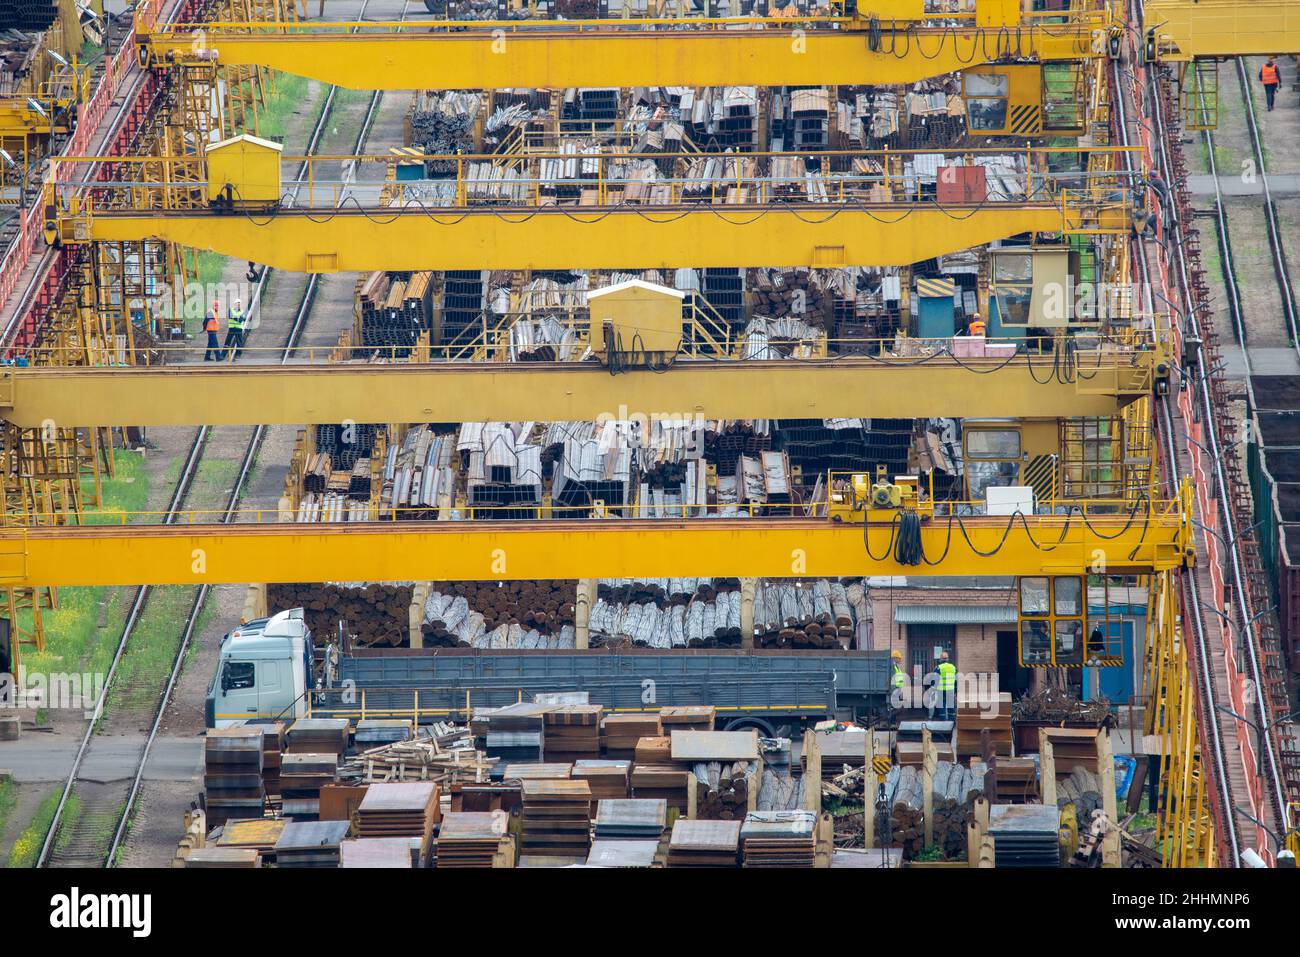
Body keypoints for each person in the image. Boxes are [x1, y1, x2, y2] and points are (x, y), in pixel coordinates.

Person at [936, 651, 957, 723]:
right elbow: (956, 680)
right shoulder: (953, 667)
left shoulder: (939, 668)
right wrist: (956, 691)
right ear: (947, 659)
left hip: (941, 690)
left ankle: (943, 723)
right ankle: (952, 722)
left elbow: (934, 679)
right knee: (951, 706)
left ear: (941, 659)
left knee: (942, 706)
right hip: (951, 690)